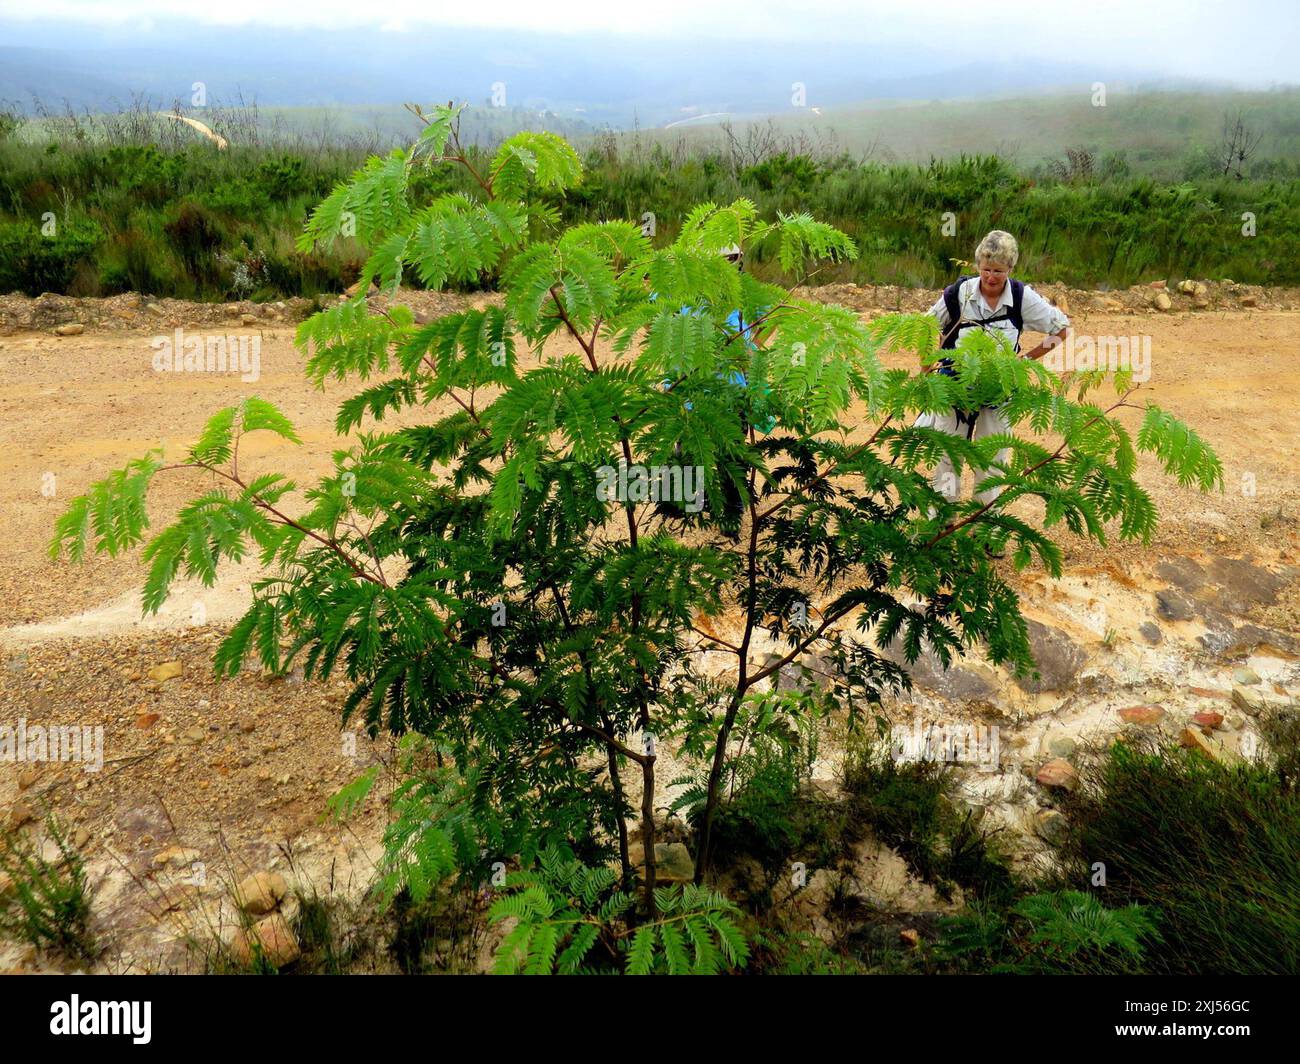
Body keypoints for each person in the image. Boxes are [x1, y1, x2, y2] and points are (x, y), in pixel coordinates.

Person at [917, 229, 1069, 508]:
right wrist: (926, 372)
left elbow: (1061, 330)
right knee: (947, 456)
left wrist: (1024, 362)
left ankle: (987, 527)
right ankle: (939, 523)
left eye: (998, 271)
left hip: (999, 391)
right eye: (986, 269)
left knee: (992, 460)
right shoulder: (959, 294)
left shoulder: (1023, 297)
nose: (990, 277)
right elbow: (927, 327)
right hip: (955, 387)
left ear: (1010, 268)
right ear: (978, 266)